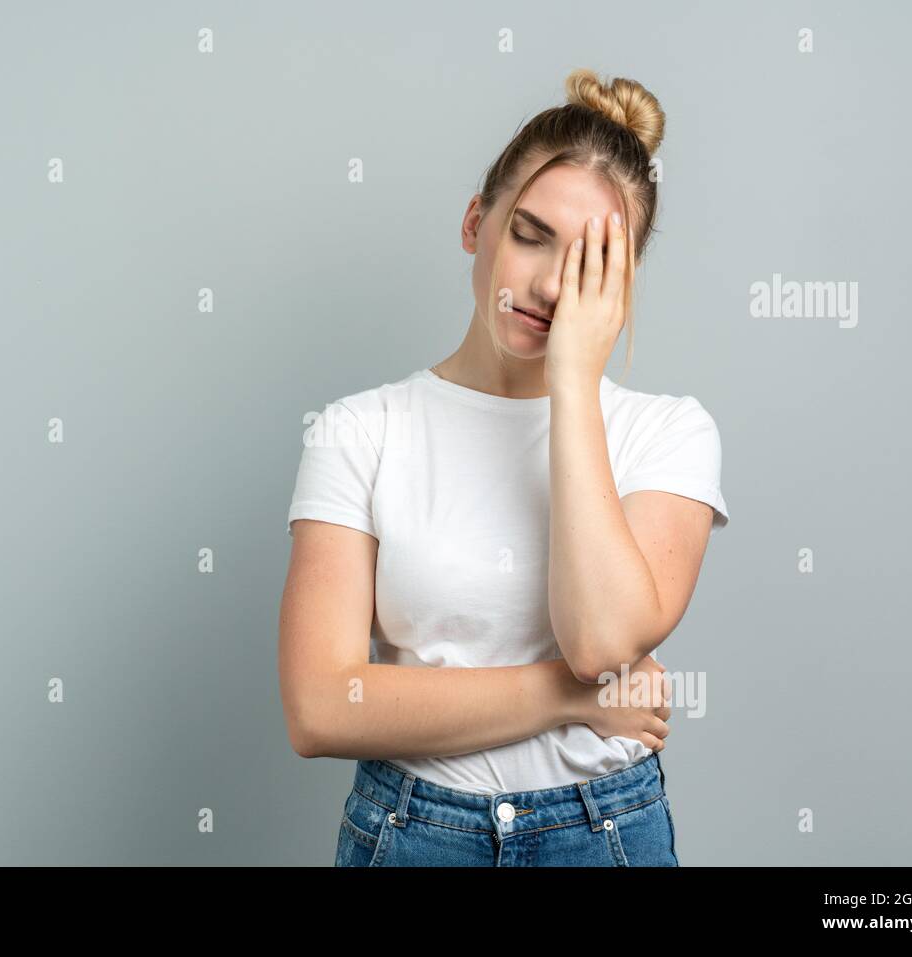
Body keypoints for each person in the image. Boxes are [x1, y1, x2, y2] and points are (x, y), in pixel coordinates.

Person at [278, 67, 729, 866]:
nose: (552, 284)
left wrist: (571, 383)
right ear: (474, 221)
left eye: (591, 263)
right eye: (530, 234)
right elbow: (321, 705)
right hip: (414, 832)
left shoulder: (668, 432)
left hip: (605, 832)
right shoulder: (359, 430)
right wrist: (568, 698)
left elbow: (598, 641)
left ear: (622, 286)